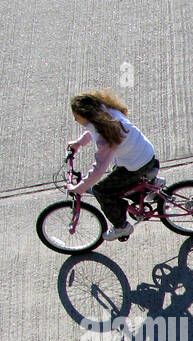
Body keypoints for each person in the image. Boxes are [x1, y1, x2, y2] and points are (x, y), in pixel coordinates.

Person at [66, 91, 160, 241]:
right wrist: (78, 143)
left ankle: (121, 227)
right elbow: (92, 129)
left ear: (84, 115)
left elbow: (99, 168)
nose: (75, 119)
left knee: (102, 190)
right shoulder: (105, 111)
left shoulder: (104, 134)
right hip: (145, 153)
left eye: (76, 116)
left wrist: (79, 188)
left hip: (136, 165)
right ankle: (150, 185)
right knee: (117, 176)